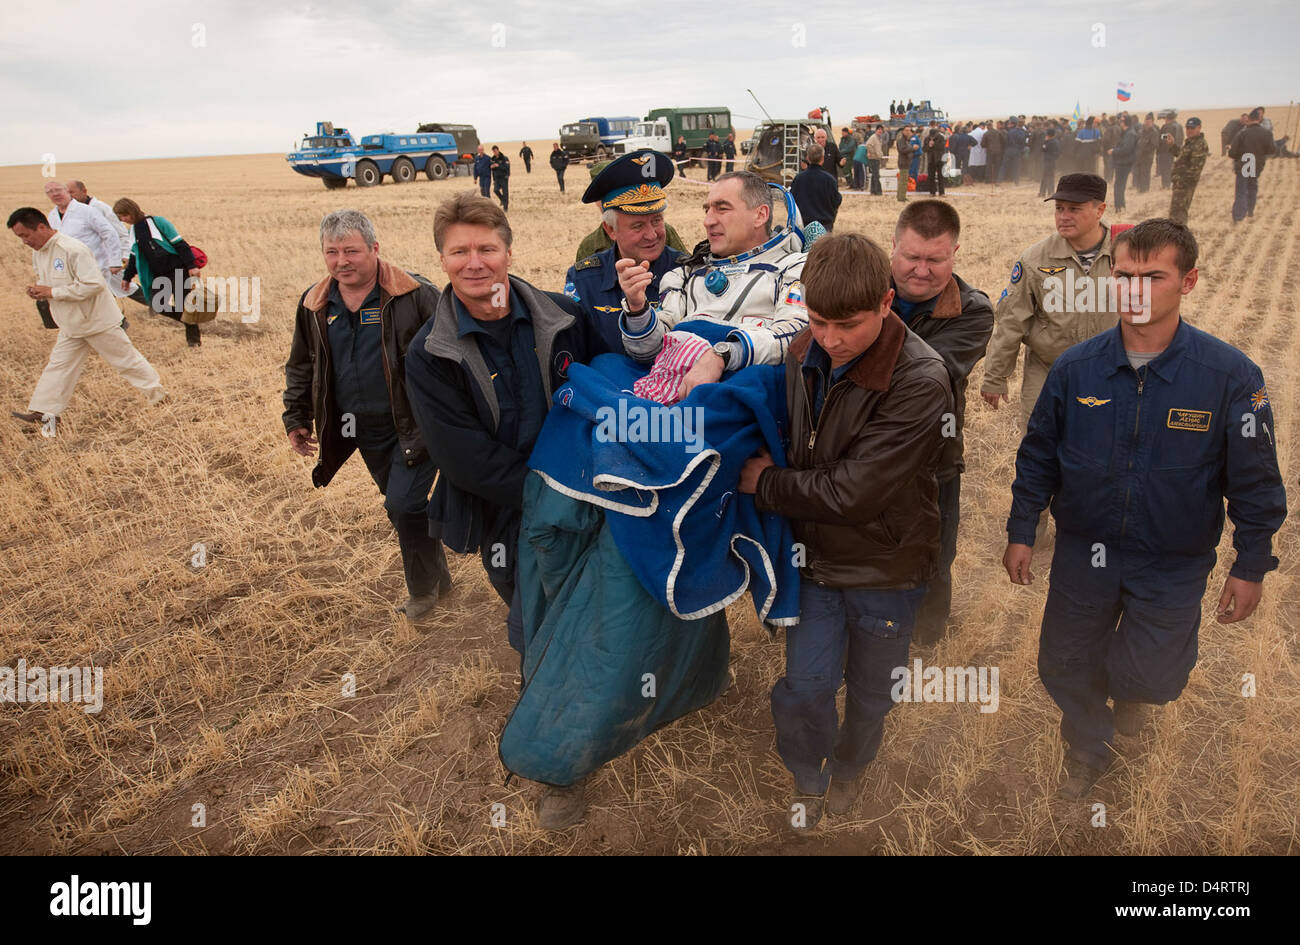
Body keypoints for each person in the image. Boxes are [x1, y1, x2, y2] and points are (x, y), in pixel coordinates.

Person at [1003, 219, 1286, 799]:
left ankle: (1131, 696)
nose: (1134, 289)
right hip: (1087, 551)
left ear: (1189, 282)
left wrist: (1251, 564)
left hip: (1173, 559)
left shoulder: (1231, 378)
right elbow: (1038, 458)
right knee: (1062, 666)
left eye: (1152, 277)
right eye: (1123, 275)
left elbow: (1256, 482)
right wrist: (1022, 528)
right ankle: (1088, 743)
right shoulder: (1075, 369)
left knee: (1152, 677)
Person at [737, 232, 952, 830]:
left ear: (886, 304)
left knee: (872, 693)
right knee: (805, 687)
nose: (829, 340)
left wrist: (767, 484)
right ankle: (809, 774)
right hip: (813, 565)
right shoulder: (803, 350)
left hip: (887, 567)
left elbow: (855, 492)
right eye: (817, 319)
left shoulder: (922, 379)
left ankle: (853, 767)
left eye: (847, 325)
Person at [403, 193, 607, 825]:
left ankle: (611, 706)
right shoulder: (429, 352)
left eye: (486, 247)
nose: (474, 262)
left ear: (509, 251)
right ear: (441, 259)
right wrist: (563, 495)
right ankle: (557, 771)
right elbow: (466, 460)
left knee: (596, 615)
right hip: (504, 518)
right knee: (538, 628)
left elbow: (622, 378)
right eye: (459, 251)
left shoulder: (566, 317)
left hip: (589, 506)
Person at [282, 209, 452, 619]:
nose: (343, 260)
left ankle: (423, 593)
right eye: (332, 251)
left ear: (375, 249)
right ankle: (440, 580)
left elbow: (454, 354)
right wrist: (296, 417)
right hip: (360, 429)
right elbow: (302, 364)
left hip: (414, 425)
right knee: (402, 507)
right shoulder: (315, 303)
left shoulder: (416, 295)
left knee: (402, 505)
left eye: (352, 250)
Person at [981, 173, 1121, 543]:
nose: (1064, 216)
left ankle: (1090, 528)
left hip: (1113, 373)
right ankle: (1031, 528)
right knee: (1040, 450)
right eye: (1060, 208)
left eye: (1074, 208)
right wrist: (995, 378)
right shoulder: (1035, 259)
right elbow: (1010, 322)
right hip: (1049, 373)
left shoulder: (1126, 254)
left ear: (1100, 209)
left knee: (1106, 452)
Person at [889, 200, 993, 644]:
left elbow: (928, 375)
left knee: (934, 551)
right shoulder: (861, 289)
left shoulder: (973, 311)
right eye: (911, 257)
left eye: (935, 259)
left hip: (935, 458)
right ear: (892, 246)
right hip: (860, 452)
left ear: (955, 254)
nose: (921, 270)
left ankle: (926, 639)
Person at [617, 171, 808, 398]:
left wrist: (723, 354)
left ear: (760, 215)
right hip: (676, 379)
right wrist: (638, 308)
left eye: (722, 208)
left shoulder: (795, 268)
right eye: (707, 210)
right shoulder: (684, 275)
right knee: (605, 364)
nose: (708, 221)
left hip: (736, 384)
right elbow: (650, 353)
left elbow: (797, 335)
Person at [8, 207, 165, 425]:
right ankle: (45, 414)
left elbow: (94, 285)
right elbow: (52, 283)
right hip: (71, 323)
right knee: (58, 367)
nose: (24, 241)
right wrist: (40, 290)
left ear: (42, 227)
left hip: (97, 320)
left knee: (126, 361)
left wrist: (53, 292)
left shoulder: (72, 249)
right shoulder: (39, 252)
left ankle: (161, 399)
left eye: (25, 235)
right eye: (19, 237)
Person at [564, 149, 684, 352]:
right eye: (637, 226)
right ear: (610, 230)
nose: (651, 234)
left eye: (657, 220)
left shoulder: (689, 274)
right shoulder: (583, 280)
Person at [114, 197, 204, 347]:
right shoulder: (133, 232)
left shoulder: (158, 222)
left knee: (182, 304)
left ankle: (194, 341)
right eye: (120, 217)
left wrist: (192, 266)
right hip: (158, 275)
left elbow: (180, 244)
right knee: (157, 305)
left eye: (125, 215)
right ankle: (190, 319)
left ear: (132, 210)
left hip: (178, 269)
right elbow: (134, 256)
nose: (124, 219)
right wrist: (127, 277)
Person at [43, 180, 126, 298]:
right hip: (70, 270)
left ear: (67, 192)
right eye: (50, 192)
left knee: (100, 302)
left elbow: (109, 233)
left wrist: (115, 261)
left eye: (58, 190)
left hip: (95, 265)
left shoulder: (87, 210)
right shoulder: (52, 216)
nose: (55, 194)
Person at [1228, 107, 1276, 224]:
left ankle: (1239, 216)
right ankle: (1250, 211)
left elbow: (1232, 153)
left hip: (1244, 163)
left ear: (1249, 119)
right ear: (1259, 120)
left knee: (1241, 190)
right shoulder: (1266, 133)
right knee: (1252, 187)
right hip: (1257, 164)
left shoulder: (1242, 133)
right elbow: (1272, 150)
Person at [67, 180, 131, 265]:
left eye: (72, 192)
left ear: (84, 191)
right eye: (67, 193)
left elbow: (122, 234)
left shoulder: (101, 209)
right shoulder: (68, 212)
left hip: (108, 263)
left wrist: (125, 256)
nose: (69, 196)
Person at [790, 143, 842, 232]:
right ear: (822, 158)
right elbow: (836, 200)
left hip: (802, 226)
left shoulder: (798, 179)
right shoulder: (830, 180)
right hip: (825, 226)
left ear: (807, 158)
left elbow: (791, 202)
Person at [1168, 117, 1209, 225]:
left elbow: (1195, 169)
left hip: (1185, 185)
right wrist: (1172, 145)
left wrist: (1181, 181)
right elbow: (1182, 156)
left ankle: (1180, 240)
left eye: (1192, 128)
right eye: (1187, 128)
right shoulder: (1190, 143)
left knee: (1178, 216)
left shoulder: (1199, 144)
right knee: (1175, 214)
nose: (1189, 130)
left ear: (1199, 128)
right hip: (1180, 184)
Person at [1108, 115, 1138, 212]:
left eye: (1121, 121)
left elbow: (1126, 149)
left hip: (1124, 163)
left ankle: (1119, 207)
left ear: (1125, 122)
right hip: (1122, 162)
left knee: (1119, 185)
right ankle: (1121, 205)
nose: (1120, 123)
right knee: (1120, 185)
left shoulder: (1130, 134)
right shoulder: (1126, 133)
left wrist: (1114, 151)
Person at [1133, 114, 1159, 193]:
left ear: (1152, 122)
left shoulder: (1154, 132)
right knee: (1139, 172)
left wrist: (1144, 150)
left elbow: (1154, 145)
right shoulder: (1141, 131)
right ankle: (1139, 188)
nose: (1147, 123)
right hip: (1139, 155)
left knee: (1145, 172)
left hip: (1147, 156)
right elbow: (1137, 141)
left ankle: (1145, 189)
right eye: (1146, 121)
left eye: (1149, 122)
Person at [1155, 115, 1181, 189]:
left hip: (1165, 151)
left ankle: (1166, 185)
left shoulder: (1168, 127)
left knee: (1165, 169)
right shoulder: (1177, 126)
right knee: (1167, 168)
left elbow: (1167, 136)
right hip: (1170, 150)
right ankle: (1166, 185)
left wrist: (1159, 136)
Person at [894, 124, 916, 201]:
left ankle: (901, 196)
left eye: (909, 130)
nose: (908, 132)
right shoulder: (901, 140)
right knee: (903, 181)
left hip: (906, 162)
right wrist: (912, 149)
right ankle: (901, 197)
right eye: (906, 130)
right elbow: (902, 150)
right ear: (903, 131)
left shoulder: (906, 140)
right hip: (903, 162)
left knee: (903, 180)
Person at [923, 127, 946, 196]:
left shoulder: (941, 138)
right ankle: (932, 192)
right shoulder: (927, 139)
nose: (932, 137)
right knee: (931, 177)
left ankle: (942, 192)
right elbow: (924, 149)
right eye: (931, 136)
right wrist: (929, 146)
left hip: (939, 160)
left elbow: (942, 147)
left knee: (940, 177)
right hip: (931, 160)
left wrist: (934, 144)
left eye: (933, 136)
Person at [1002, 118, 1027, 184]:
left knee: (1004, 166)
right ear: (1023, 124)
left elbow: (1006, 141)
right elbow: (1023, 143)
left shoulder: (1010, 131)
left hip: (1009, 149)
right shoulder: (1023, 132)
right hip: (1017, 150)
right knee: (1017, 167)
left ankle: (999, 180)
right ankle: (1016, 182)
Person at [1039, 127, 1061, 198]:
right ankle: (1051, 192)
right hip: (1052, 161)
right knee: (1051, 177)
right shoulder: (1056, 142)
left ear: (1048, 135)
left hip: (1047, 161)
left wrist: (1045, 142)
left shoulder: (1048, 142)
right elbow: (1058, 153)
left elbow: (1043, 149)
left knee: (1045, 177)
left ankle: (1042, 192)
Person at [488, 146, 510, 212]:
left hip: (504, 177)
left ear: (498, 150)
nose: (495, 152)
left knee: (505, 192)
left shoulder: (504, 158)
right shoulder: (493, 159)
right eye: (493, 151)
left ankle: (505, 208)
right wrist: (492, 167)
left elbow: (506, 167)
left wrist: (498, 166)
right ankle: (503, 200)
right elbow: (493, 169)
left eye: (495, 151)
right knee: (495, 190)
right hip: (497, 178)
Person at [865, 125, 885, 195]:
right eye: (879, 129)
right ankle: (878, 191)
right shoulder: (873, 137)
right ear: (876, 130)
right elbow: (868, 145)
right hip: (873, 158)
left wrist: (880, 154)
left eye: (881, 129)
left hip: (876, 158)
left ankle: (873, 191)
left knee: (874, 175)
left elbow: (878, 148)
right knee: (876, 175)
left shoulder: (879, 138)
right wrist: (873, 152)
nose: (880, 131)